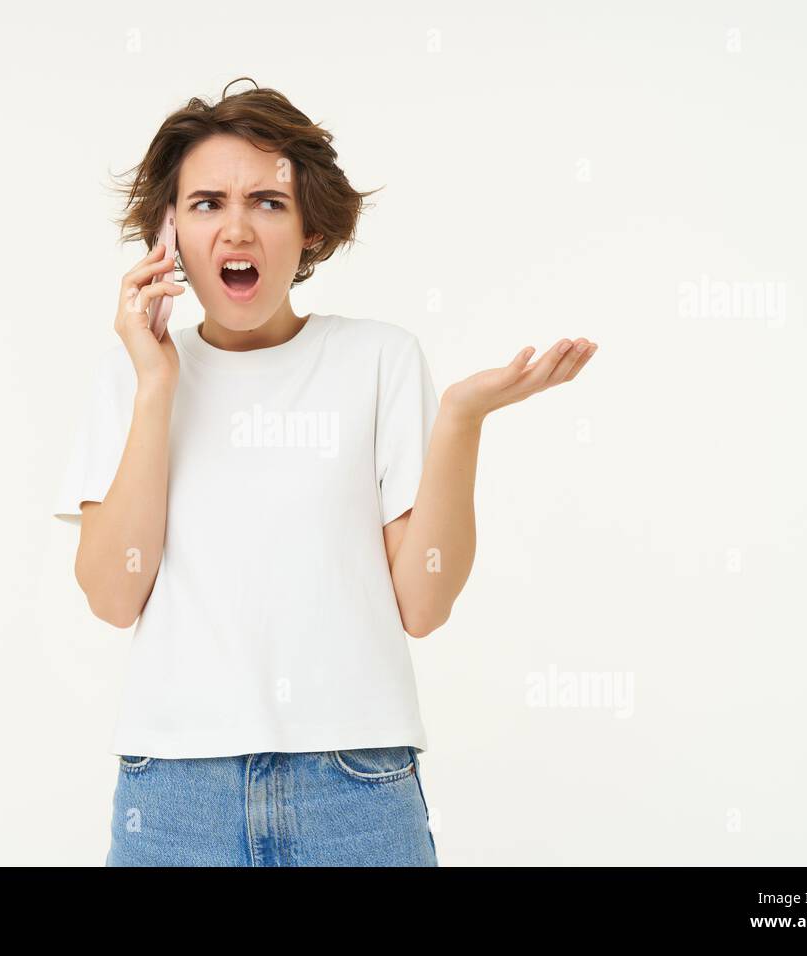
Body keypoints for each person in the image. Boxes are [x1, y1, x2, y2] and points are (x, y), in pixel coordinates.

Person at [54, 78, 597, 866]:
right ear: (167, 235)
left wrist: (460, 421)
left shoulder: (377, 359)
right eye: (207, 203)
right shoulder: (133, 377)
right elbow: (111, 595)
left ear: (309, 229)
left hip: (357, 788)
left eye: (268, 203)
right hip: (174, 796)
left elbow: (424, 602)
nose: (237, 228)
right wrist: (158, 387)